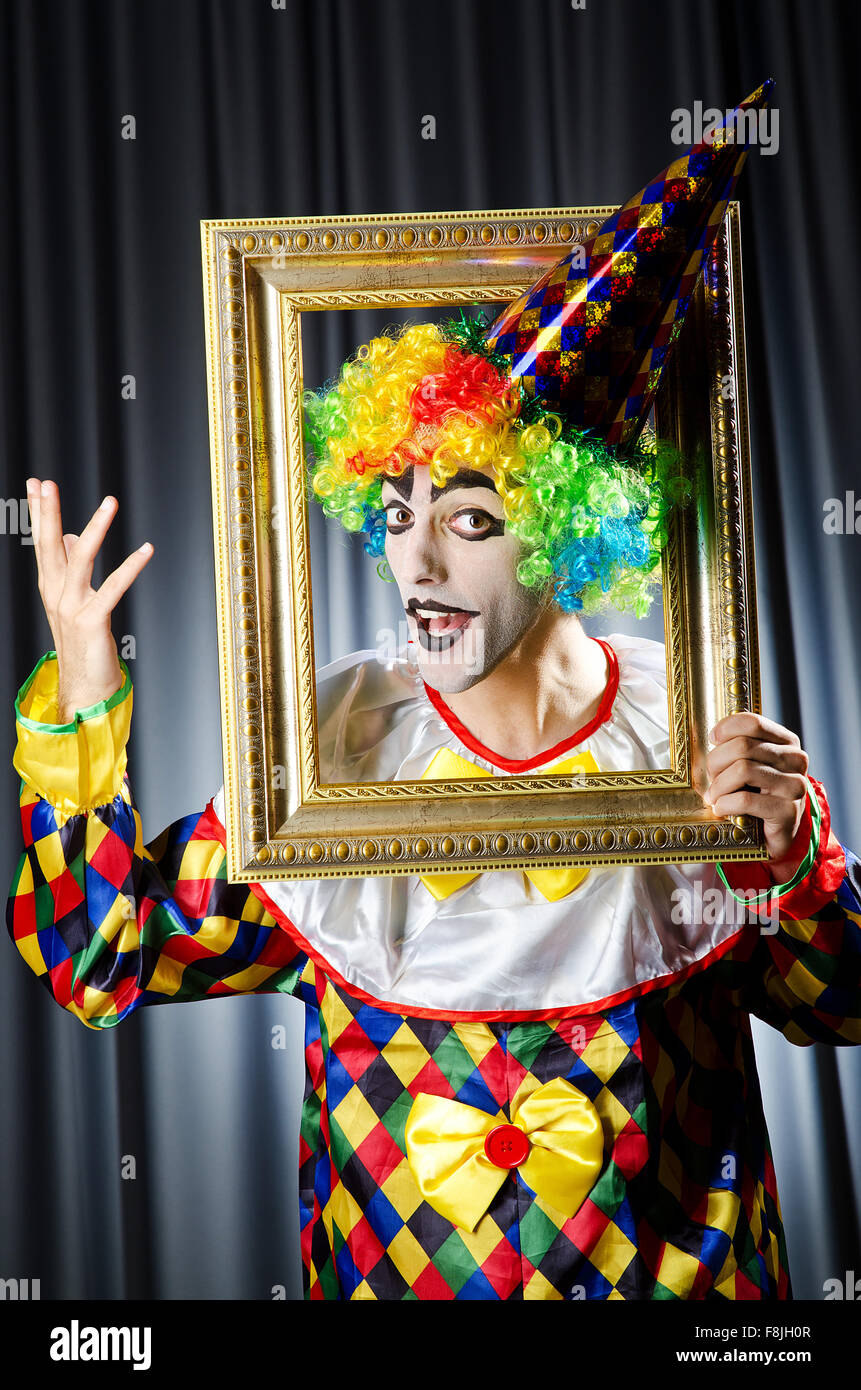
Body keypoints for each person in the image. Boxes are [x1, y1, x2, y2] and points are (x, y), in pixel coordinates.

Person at [7, 84, 860, 1301]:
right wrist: (83, 708)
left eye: (468, 518)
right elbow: (97, 956)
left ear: (566, 529)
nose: (414, 561)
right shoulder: (338, 748)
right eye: (397, 514)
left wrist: (795, 862)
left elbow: (845, 1006)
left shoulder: (694, 725)